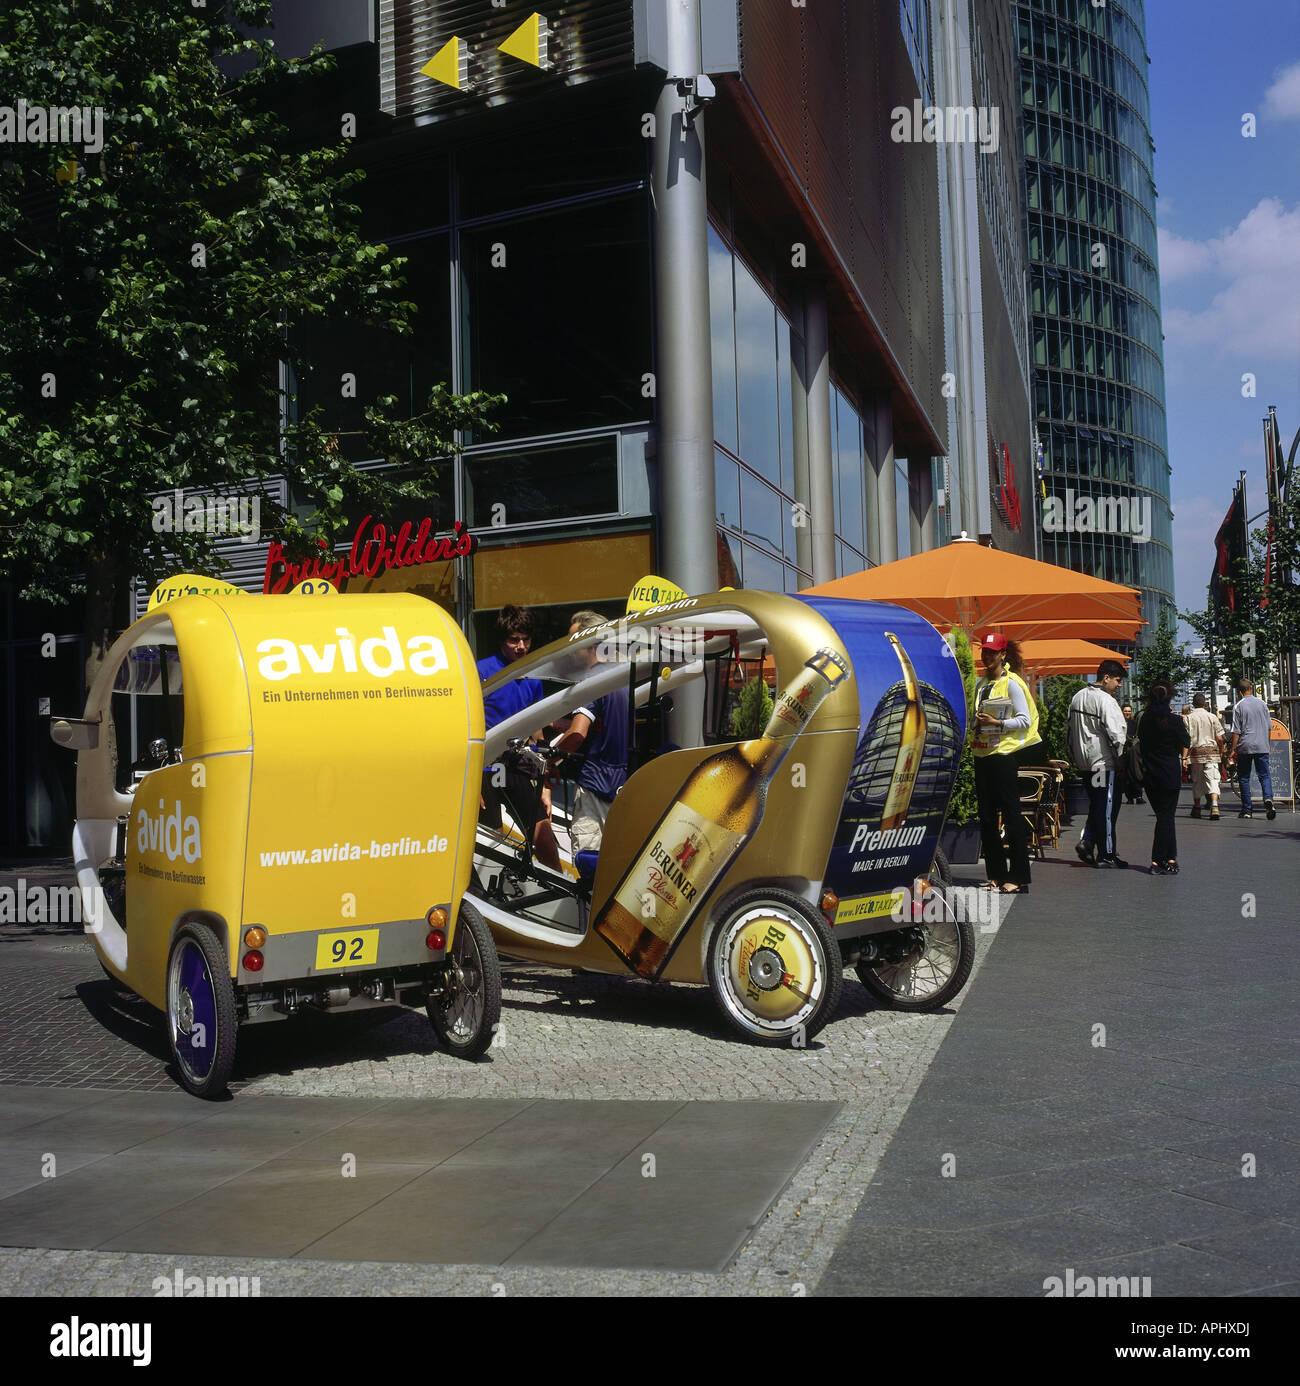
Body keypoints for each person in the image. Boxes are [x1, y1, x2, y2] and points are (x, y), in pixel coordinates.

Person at [477, 604, 562, 871]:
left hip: (519, 765)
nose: (521, 646)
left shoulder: (534, 674)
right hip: (485, 768)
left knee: (544, 837)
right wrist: (471, 782)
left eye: (525, 639)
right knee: (488, 845)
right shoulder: (481, 671)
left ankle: (568, 900)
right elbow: (468, 726)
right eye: (514, 640)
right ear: (502, 639)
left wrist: (545, 787)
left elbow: (536, 732)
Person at [552, 610, 629, 854]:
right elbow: (606, 724)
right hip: (619, 787)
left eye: (575, 642)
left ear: (591, 644)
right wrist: (561, 724)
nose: (570, 649)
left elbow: (577, 735)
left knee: (589, 868)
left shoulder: (592, 681)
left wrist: (550, 760)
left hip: (594, 787)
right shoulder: (621, 676)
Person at [970, 632, 1035, 895]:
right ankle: (995, 875)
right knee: (986, 818)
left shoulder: (1012, 684)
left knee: (1011, 815)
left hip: (1004, 755)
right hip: (982, 754)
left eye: (992, 652)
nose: (987, 656)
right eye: (984, 651)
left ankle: (1018, 877)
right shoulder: (980, 685)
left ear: (1003, 654)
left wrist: (998, 723)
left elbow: (1025, 720)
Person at [1067, 659, 1129, 867]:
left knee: (1097, 805)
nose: (1119, 685)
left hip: (1084, 764)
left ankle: (1088, 841)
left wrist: (1074, 756)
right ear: (1106, 678)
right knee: (1107, 809)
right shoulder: (1107, 701)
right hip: (1103, 763)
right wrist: (1119, 759)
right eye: (1118, 680)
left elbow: (1069, 732)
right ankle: (1107, 854)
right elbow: (1116, 734)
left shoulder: (1077, 697)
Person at [1139, 681, 1191, 874]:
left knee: (1165, 816)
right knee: (1166, 816)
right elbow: (1186, 741)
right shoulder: (1175, 721)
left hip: (1151, 774)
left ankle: (1170, 857)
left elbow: (1142, 744)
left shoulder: (1145, 719)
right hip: (1170, 773)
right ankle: (1157, 860)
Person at [1227, 678, 1275, 820]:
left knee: (1244, 777)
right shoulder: (1262, 704)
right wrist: (1267, 743)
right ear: (1251, 688)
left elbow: (1236, 731)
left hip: (1245, 746)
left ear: (1240, 691)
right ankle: (1268, 799)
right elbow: (1269, 727)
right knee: (1264, 775)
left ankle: (1247, 809)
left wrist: (1233, 749)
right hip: (1262, 745)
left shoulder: (1238, 706)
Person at [1186, 693, 1226, 821]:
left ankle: (1197, 807)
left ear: (1193, 704)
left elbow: (1185, 740)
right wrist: (1221, 750)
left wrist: (1183, 758)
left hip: (1195, 753)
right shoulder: (1212, 717)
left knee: (1197, 780)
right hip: (1211, 753)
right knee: (1213, 779)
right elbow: (1220, 738)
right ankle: (1214, 806)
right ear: (1205, 704)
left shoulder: (1188, 718)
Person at [1119, 702, 1144, 804]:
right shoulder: (1118, 722)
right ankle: (1129, 797)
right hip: (1123, 752)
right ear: (1122, 712)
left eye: (1129, 711)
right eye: (1125, 711)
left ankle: (1138, 795)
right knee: (1127, 775)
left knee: (1136, 773)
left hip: (1134, 752)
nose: (1127, 713)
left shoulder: (1133, 723)